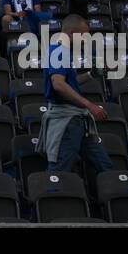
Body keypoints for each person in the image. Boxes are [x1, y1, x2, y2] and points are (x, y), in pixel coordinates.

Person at [39, 15, 112, 175]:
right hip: (68, 121)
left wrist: (91, 74)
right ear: (72, 33)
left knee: (104, 166)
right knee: (58, 171)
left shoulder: (62, 51)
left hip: (78, 121)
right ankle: (48, 195)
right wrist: (90, 105)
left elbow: (69, 83)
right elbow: (58, 84)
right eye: (84, 35)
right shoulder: (59, 50)